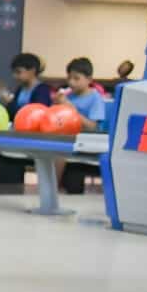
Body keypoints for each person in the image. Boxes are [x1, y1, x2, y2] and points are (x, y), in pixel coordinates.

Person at [0, 52, 52, 195]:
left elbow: (37, 113)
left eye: (19, 72)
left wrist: (10, 102)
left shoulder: (42, 90)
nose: (15, 77)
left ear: (32, 71)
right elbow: (12, 113)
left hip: (33, 135)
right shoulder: (20, 89)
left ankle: (46, 193)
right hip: (16, 132)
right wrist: (5, 102)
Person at [53, 57, 107, 194]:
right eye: (69, 78)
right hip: (70, 138)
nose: (71, 82)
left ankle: (51, 189)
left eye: (76, 78)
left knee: (59, 151)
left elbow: (93, 127)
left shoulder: (95, 98)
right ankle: (52, 187)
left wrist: (72, 109)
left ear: (89, 80)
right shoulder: (68, 96)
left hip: (89, 140)